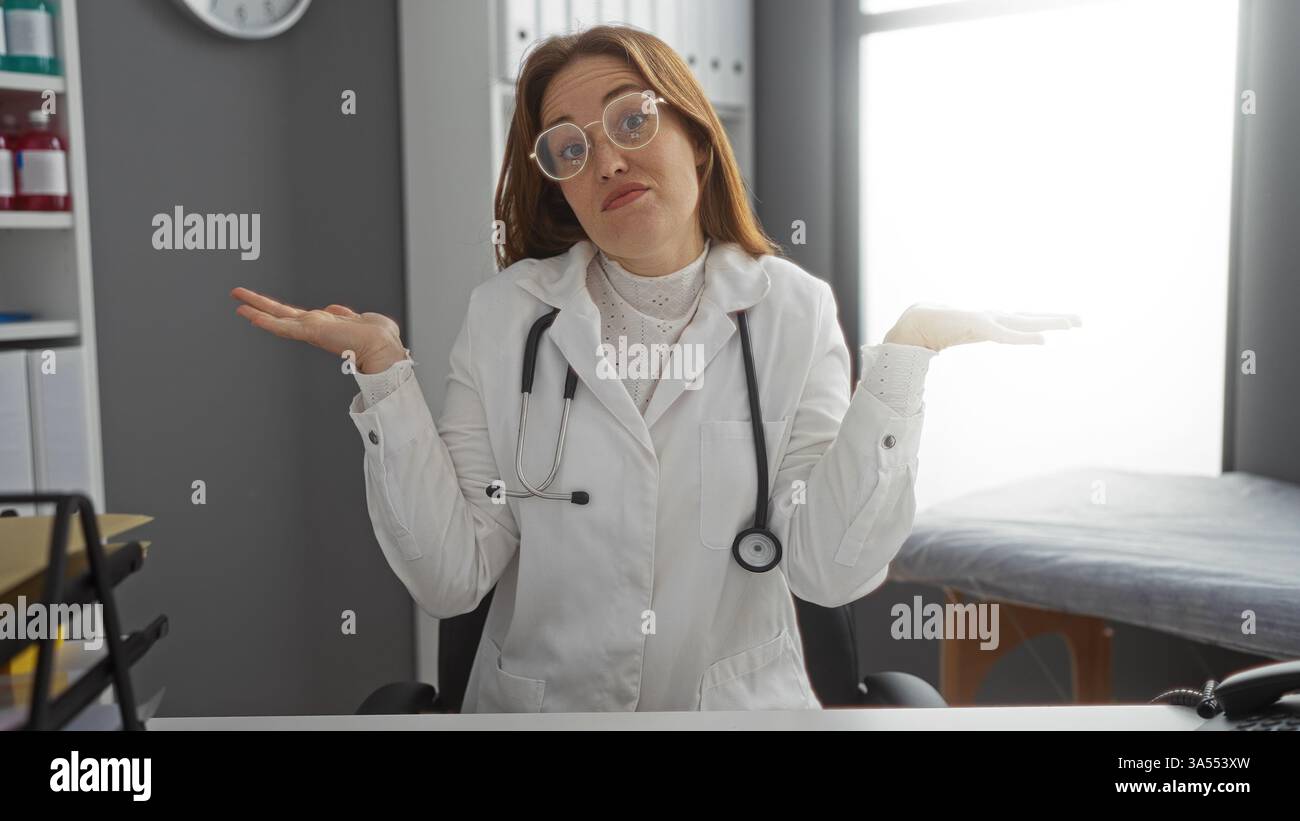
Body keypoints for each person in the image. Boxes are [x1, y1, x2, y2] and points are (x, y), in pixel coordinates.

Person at [231, 26, 1078, 712]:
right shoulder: (507, 317)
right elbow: (452, 578)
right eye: (568, 149)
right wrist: (382, 370)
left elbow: (828, 567)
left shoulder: (791, 309)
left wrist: (904, 360)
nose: (605, 161)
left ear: (698, 140)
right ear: (559, 186)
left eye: (632, 122)